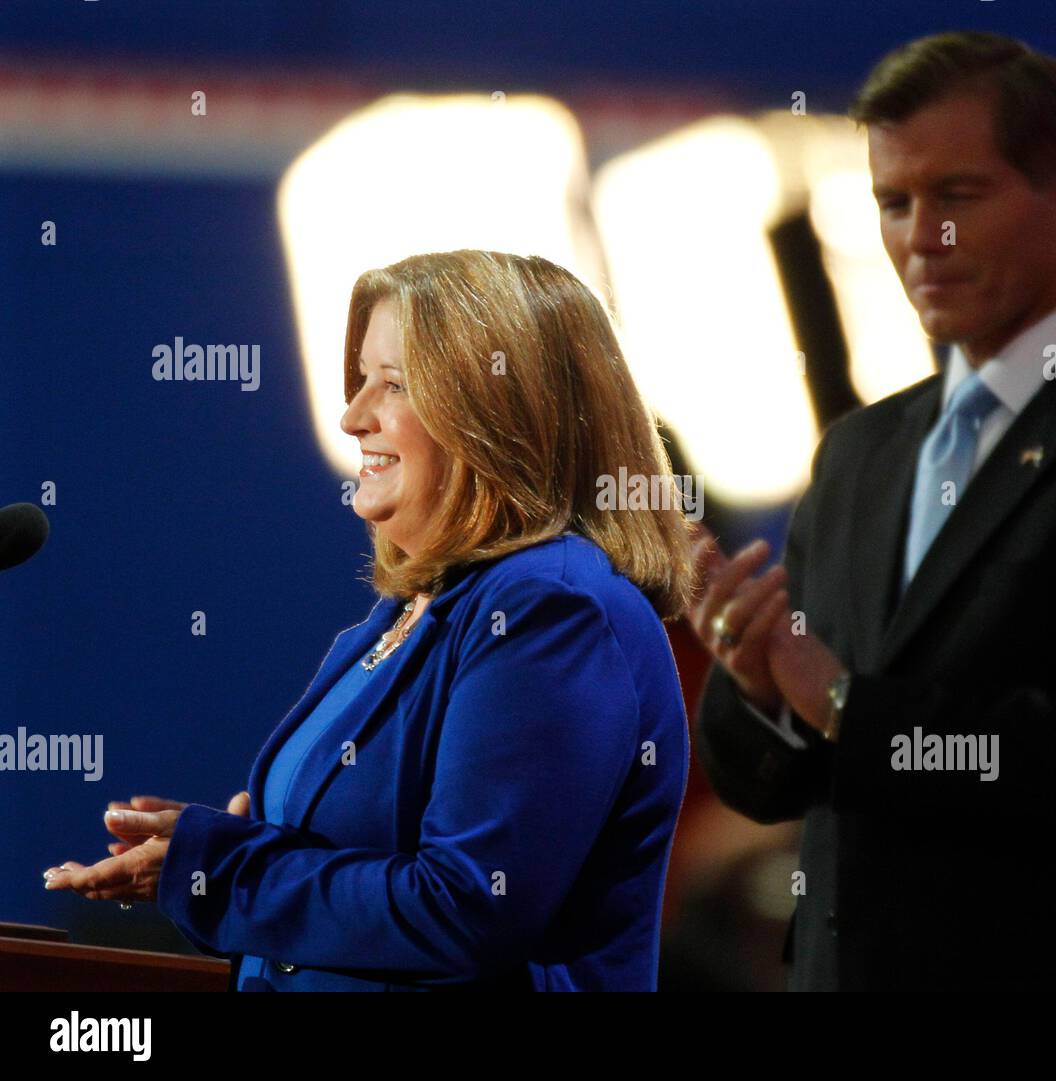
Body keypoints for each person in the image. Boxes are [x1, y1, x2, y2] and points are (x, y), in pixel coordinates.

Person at [690, 31, 1056, 990]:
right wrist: (757, 687)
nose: (921, 237)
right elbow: (774, 782)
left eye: (957, 196)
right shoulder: (858, 454)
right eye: (893, 202)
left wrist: (840, 702)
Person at [44, 250, 696, 991]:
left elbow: (466, 906)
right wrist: (219, 850)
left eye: (392, 384)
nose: (353, 416)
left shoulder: (548, 610)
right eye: (360, 380)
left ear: (495, 413)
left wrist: (225, 871)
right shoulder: (407, 617)